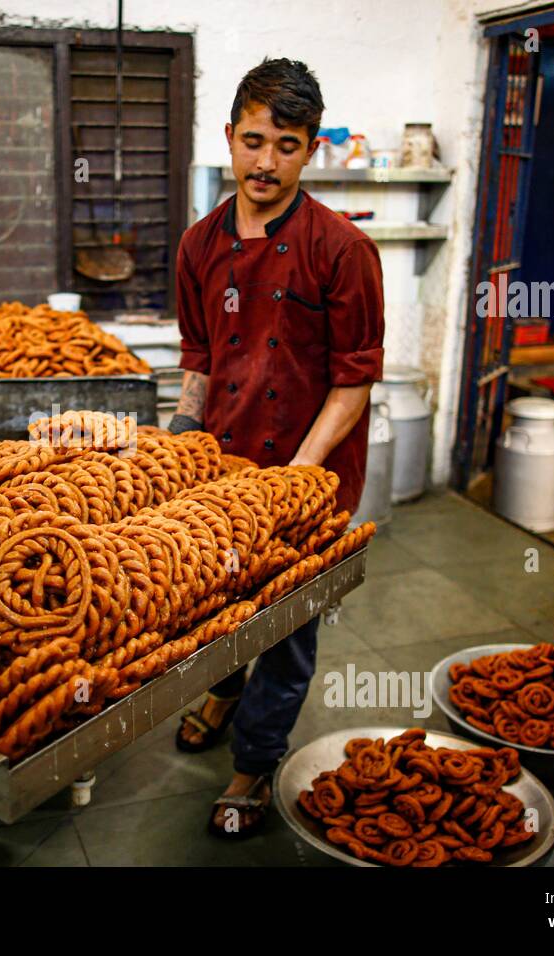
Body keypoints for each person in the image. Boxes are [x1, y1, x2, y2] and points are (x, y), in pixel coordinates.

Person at [170, 58, 385, 838]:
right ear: (229, 136)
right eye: (253, 140)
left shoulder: (341, 249)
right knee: (223, 599)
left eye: (286, 145)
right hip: (225, 466)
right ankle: (224, 693)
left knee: (288, 629)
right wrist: (179, 449)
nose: (265, 163)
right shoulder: (198, 245)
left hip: (311, 475)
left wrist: (299, 475)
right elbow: (199, 357)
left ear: (311, 149)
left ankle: (254, 766)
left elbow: (356, 378)